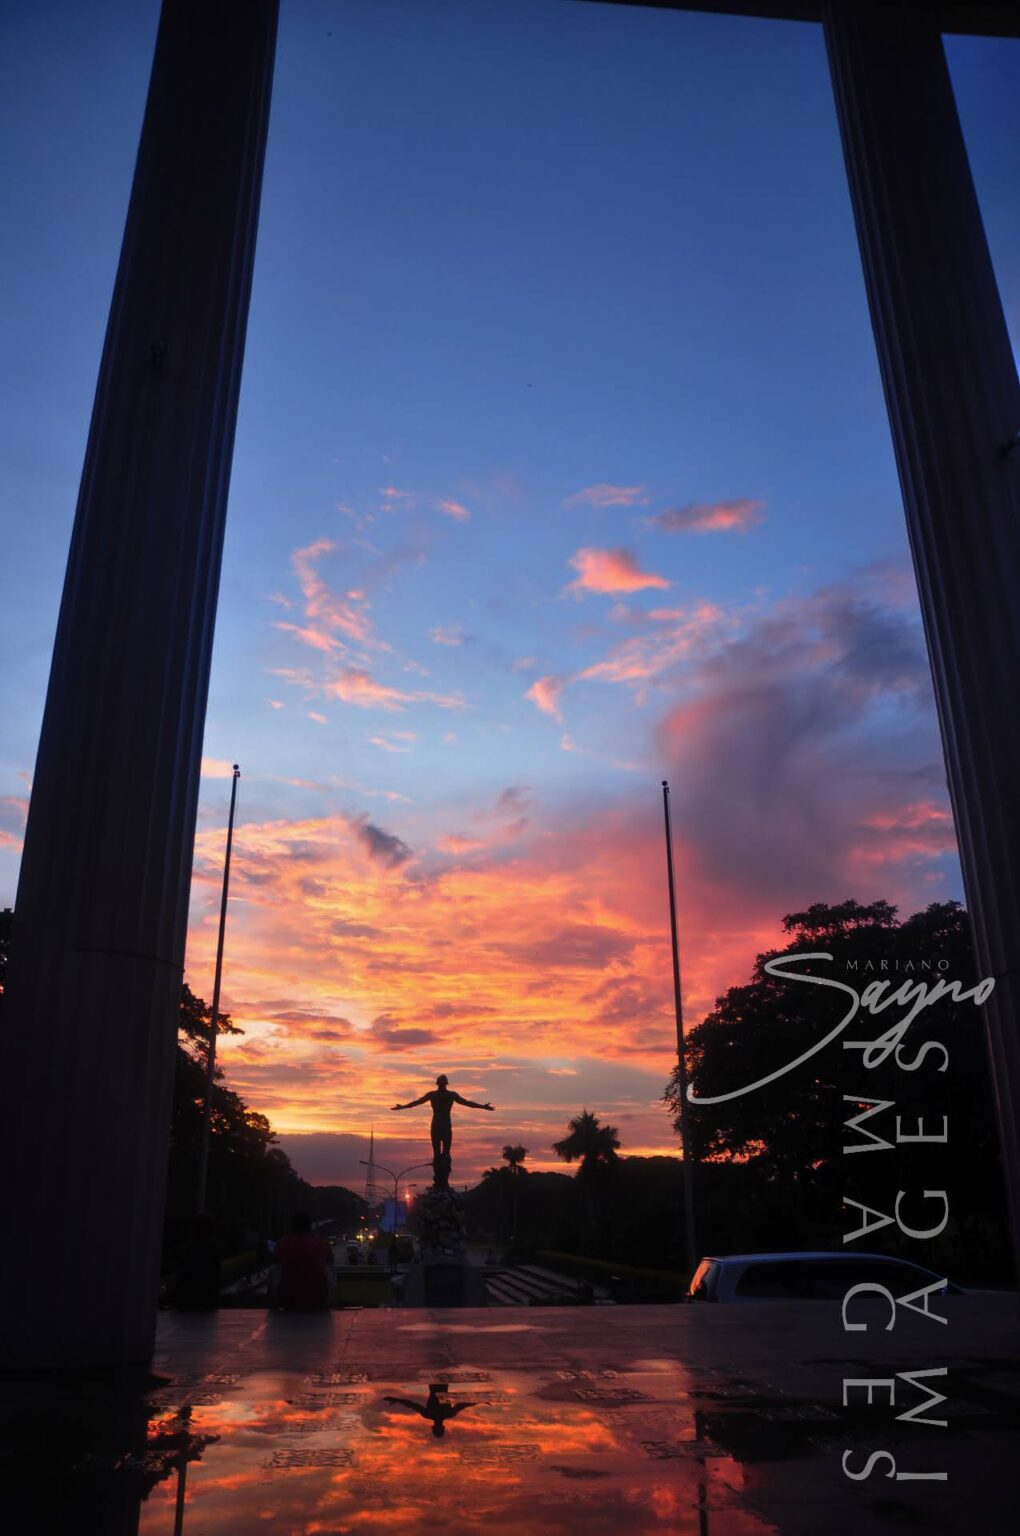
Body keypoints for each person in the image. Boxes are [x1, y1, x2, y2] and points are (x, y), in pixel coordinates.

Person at [391, 1075, 494, 1185]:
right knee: (443, 1153)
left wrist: (403, 1107)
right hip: (442, 1126)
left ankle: (442, 1180)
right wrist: (483, 1107)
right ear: (445, 1084)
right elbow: (467, 1103)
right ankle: (440, 1180)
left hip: (439, 1126)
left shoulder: (438, 1095)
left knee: (442, 1153)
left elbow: (416, 1102)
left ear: (438, 1084)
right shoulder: (447, 1095)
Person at [273, 1211, 332, 1310]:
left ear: (292, 1227)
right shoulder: (322, 1244)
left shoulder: (282, 1244)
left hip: (287, 1300)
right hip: (318, 1299)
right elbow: (329, 1273)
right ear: (310, 1227)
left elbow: (276, 1274)